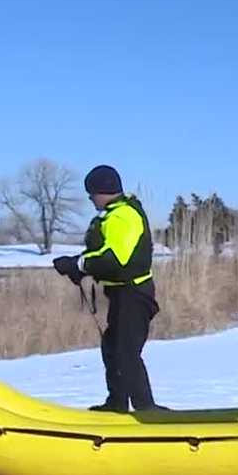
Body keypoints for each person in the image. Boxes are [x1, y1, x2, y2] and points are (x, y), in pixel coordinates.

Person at [52, 165, 160, 412]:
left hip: (134, 294)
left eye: (91, 193)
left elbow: (114, 259)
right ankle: (117, 404)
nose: (90, 198)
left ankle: (147, 411)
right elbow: (102, 255)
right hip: (122, 294)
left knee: (126, 352)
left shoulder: (123, 216)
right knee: (112, 348)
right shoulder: (114, 214)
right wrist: (77, 266)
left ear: (103, 190)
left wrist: (77, 264)